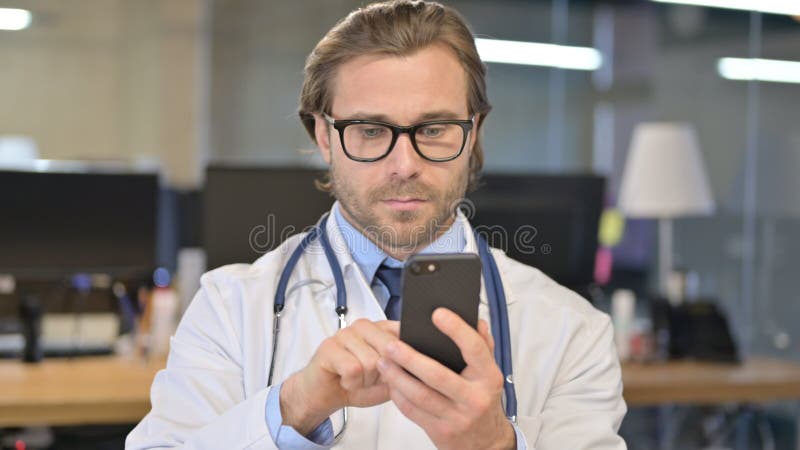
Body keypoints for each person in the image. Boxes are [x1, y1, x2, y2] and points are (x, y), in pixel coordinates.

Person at [126, 1, 627, 449]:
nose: (404, 164)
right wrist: (291, 409)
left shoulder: (573, 332)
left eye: (433, 129)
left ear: (473, 134)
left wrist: (495, 446)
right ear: (323, 135)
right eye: (370, 130)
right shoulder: (229, 309)